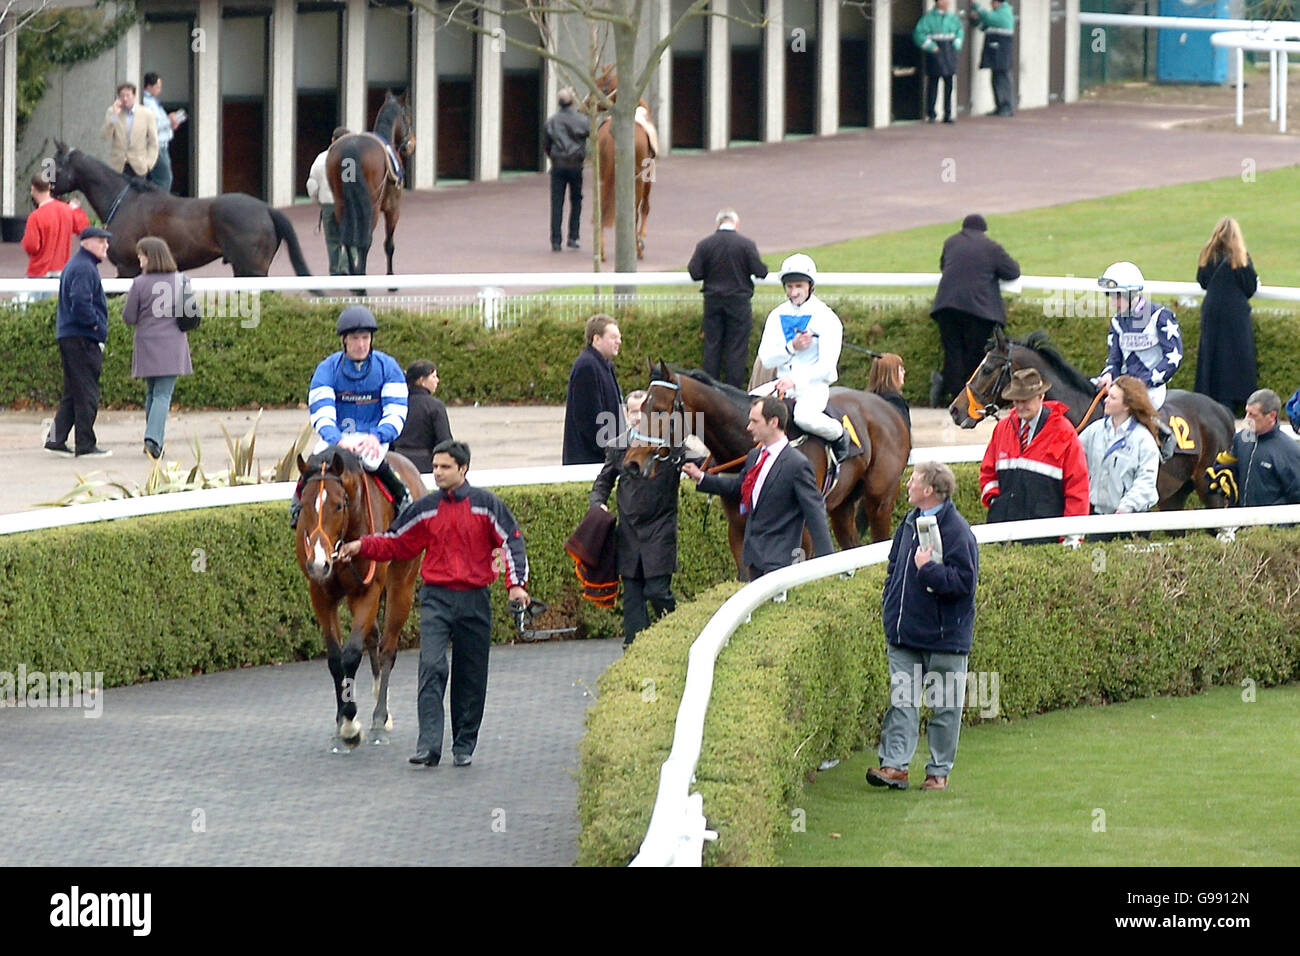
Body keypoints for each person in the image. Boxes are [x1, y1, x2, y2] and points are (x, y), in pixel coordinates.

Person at [338, 440, 530, 769]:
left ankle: (464, 744)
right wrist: (360, 546)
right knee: (431, 667)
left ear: (463, 469)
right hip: (437, 599)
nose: (437, 473)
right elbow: (396, 541)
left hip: (474, 600)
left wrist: (516, 588)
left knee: (471, 675)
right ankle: (428, 746)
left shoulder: (487, 505)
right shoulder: (426, 507)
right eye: (435, 467)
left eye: (444, 467)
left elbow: (512, 543)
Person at [868, 461, 978, 792]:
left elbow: (964, 583)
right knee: (902, 701)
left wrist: (927, 570)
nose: (907, 484)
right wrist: (890, 605)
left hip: (944, 638)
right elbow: (894, 568)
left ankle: (938, 773)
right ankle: (895, 767)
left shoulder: (958, 530)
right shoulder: (909, 522)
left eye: (913, 480)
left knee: (944, 708)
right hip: (905, 634)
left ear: (929, 490)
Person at [683, 395, 835, 580]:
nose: (748, 427)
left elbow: (814, 511)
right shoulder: (755, 456)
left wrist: (828, 562)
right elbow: (740, 487)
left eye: (755, 421)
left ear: (773, 422)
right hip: (753, 557)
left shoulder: (797, 464)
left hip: (781, 561)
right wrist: (702, 478)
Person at [289, 306, 412, 527]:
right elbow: (322, 413)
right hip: (337, 437)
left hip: (372, 437)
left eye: (365, 337)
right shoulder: (327, 369)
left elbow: (396, 411)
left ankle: (403, 498)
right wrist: (338, 440)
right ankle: (297, 505)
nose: (361, 344)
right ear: (344, 340)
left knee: (373, 462)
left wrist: (377, 436)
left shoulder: (388, 367)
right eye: (355, 338)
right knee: (314, 462)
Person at [590, 391, 680, 647]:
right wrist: (597, 505)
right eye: (633, 412)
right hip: (628, 534)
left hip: (660, 531)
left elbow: (698, 463)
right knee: (632, 595)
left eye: (644, 410)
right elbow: (604, 481)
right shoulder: (618, 445)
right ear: (627, 415)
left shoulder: (671, 443)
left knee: (657, 590)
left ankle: (675, 637)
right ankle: (634, 647)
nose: (639, 417)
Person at [752, 253, 851, 461]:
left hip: (812, 388)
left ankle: (840, 434)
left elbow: (826, 366)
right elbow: (766, 358)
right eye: (789, 287)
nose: (794, 292)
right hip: (780, 385)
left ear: (810, 286)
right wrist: (791, 347)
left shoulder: (827, 318)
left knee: (804, 418)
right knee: (747, 407)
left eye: (799, 286)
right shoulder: (776, 315)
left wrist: (795, 380)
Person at [929, 213, 1020, 408]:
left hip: (946, 307)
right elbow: (1012, 271)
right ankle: (969, 401)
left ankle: (951, 392)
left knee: (953, 352)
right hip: (979, 310)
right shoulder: (991, 247)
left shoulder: (951, 242)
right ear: (983, 230)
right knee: (975, 355)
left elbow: (944, 266)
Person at [979, 368, 1089, 523]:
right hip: (1003, 528)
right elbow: (987, 472)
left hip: (1045, 534)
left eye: (1026, 400)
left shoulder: (1064, 432)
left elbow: (1077, 487)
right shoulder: (1002, 428)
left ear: (1041, 396)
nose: (1020, 406)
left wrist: (1072, 536)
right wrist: (995, 502)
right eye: (1017, 401)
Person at [121, 236, 194, 460]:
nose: (139, 260)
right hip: (173, 344)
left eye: (141, 255)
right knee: (162, 394)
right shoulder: (181, 280)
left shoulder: (140, 283)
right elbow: (190, 313)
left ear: (150, 256)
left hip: (146, 343)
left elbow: (129, 316)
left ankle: (153, 439)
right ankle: (153, 440)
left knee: (152, 393)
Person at [45, 226, 113, 458]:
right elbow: (80, 301)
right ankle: (85, 444)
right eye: (101, 241)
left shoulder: (79, 265)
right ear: (86, 243)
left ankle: (55, 440)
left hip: (70, 335)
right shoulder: (84, 268)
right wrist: (95, 325)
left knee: (73, 392)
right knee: (86, 392)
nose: (106, 246)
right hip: (82, 337)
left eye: (107, 242)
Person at [687, 208, 770, 388]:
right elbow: (760, 271)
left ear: (718, 224)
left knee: (712, 347)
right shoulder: (746, 244)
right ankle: (733, 392)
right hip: (739, 303)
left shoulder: (705, 245)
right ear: (736, 224)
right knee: (737, 349)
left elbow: (695, 272)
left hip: (712, 302)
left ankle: (709, 390)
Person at [1194, 217, 1259, 413]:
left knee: (1212, 356)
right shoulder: (1240, 258)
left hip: (1212, 311)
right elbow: (1250, 287)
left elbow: (1203, 281)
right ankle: (1235, 400)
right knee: (1236, 356)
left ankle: (1211, 398)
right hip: (1235, 315)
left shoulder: (1208, 256)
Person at [1078, 375, 1160, 516]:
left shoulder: (1143, 439)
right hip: (1098, 513)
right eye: (1107, 396)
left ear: (1127, 405)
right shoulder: (1094, 430)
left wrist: (1126, 507)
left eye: (1112, 397)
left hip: (1130, 516)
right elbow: (1075, 457)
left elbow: (1146, 480)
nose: (1106, 400)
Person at [1206, 389, 1300, 508]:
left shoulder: (1289, 450)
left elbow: (1296, 495)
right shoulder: (1241, 439)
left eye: (1253, 415)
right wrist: (1222, 472)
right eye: (1246, 413)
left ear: (1272, 416)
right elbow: (1230, 471)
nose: (1246, 419)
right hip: (1241, 522)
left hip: (1271, 524)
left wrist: (1276, 524)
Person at [562, 314, 623, 465]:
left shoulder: (605, 366)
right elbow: (589, 420)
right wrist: (612, 453)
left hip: (605, 458)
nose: (619, 342)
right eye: (613, 337)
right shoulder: (587, 366)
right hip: (589, 461)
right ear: (596, 339)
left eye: (619, 337)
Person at [22, 173, 90, 292]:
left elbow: (32, 246)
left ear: (33, 189)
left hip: (39, 271)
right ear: (49, 187)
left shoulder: (35, 217)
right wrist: (76, 210)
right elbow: (83, 228)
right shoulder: (67, 210)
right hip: (62, 269)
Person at [543, 87, 589, 252]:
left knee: (557, 202)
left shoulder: (552, 121)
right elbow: (590, 135)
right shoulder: (582, 120)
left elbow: (546, 144)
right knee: (576, 201)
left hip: (558, 165)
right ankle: (573, 237)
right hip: (576, 165)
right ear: (572, 101)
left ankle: (556, 240)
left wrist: (553, 156)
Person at [391, 359, 452, 473]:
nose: (437, 380)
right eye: (433, 377)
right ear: (422, 381)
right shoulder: (435, 406)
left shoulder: (397, 403)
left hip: (397, 462)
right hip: (426, 464)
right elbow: (445, 441)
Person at [306, 126, 351, 276]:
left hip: (327, 206)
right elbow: (351, 185)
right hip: (346, 206)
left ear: (333, 140)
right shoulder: (349, 160)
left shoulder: (320, 158)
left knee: (332, 241)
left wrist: (319, 201)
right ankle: (345, 264)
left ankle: (334, 271)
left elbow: (311, 185)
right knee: (353, 237)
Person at [914, 0, 964, 124]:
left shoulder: (953, 18)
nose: (947, 2)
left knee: (949, 84)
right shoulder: (928, 18)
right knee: (933, 84)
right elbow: (918, 34)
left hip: (949, 52)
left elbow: (960, 31)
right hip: (935, 53)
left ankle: (948, 114)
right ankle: (931, 114)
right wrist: (931, 46)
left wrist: (957, 43)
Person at [101, 81, 159, 178]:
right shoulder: (112, 112)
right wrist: (114, 117)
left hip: (138, 165)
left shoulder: (146, 114)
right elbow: (105, 136)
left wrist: (149, 163)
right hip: (118, 165)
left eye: (128, 95)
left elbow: (153, 142)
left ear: (134, 95)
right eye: (122, 96)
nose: (125, 99)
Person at [142, 72, 184, 194]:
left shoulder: (153, 101)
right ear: (149, 86)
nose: (160, 89)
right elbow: (152, 125)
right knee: (164, 178)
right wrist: (169, 120)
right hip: (157, 145)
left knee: (164, 177)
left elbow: (161, 122)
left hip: (163, 145)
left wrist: (171, 124)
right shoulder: (147, 102)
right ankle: (158, 204)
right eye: (158, 86)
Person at [970, 0, 1015, 117]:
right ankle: (999, 106)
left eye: (992, 2)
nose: (991, 5)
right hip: (995, 50)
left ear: (998, 3)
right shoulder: (997, 13)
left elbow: (989, 18)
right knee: (995, 78)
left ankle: (1007, 106)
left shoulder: (1005, 12)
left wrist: (976, 5)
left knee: (1003, 78)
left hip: (1002, 51)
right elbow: (984, 25)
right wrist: (975, 21)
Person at [868, 352, 911, 434]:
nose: (904, 372)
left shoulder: (866, 401)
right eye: (901, 369)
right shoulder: (896, 402)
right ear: (892, 374)